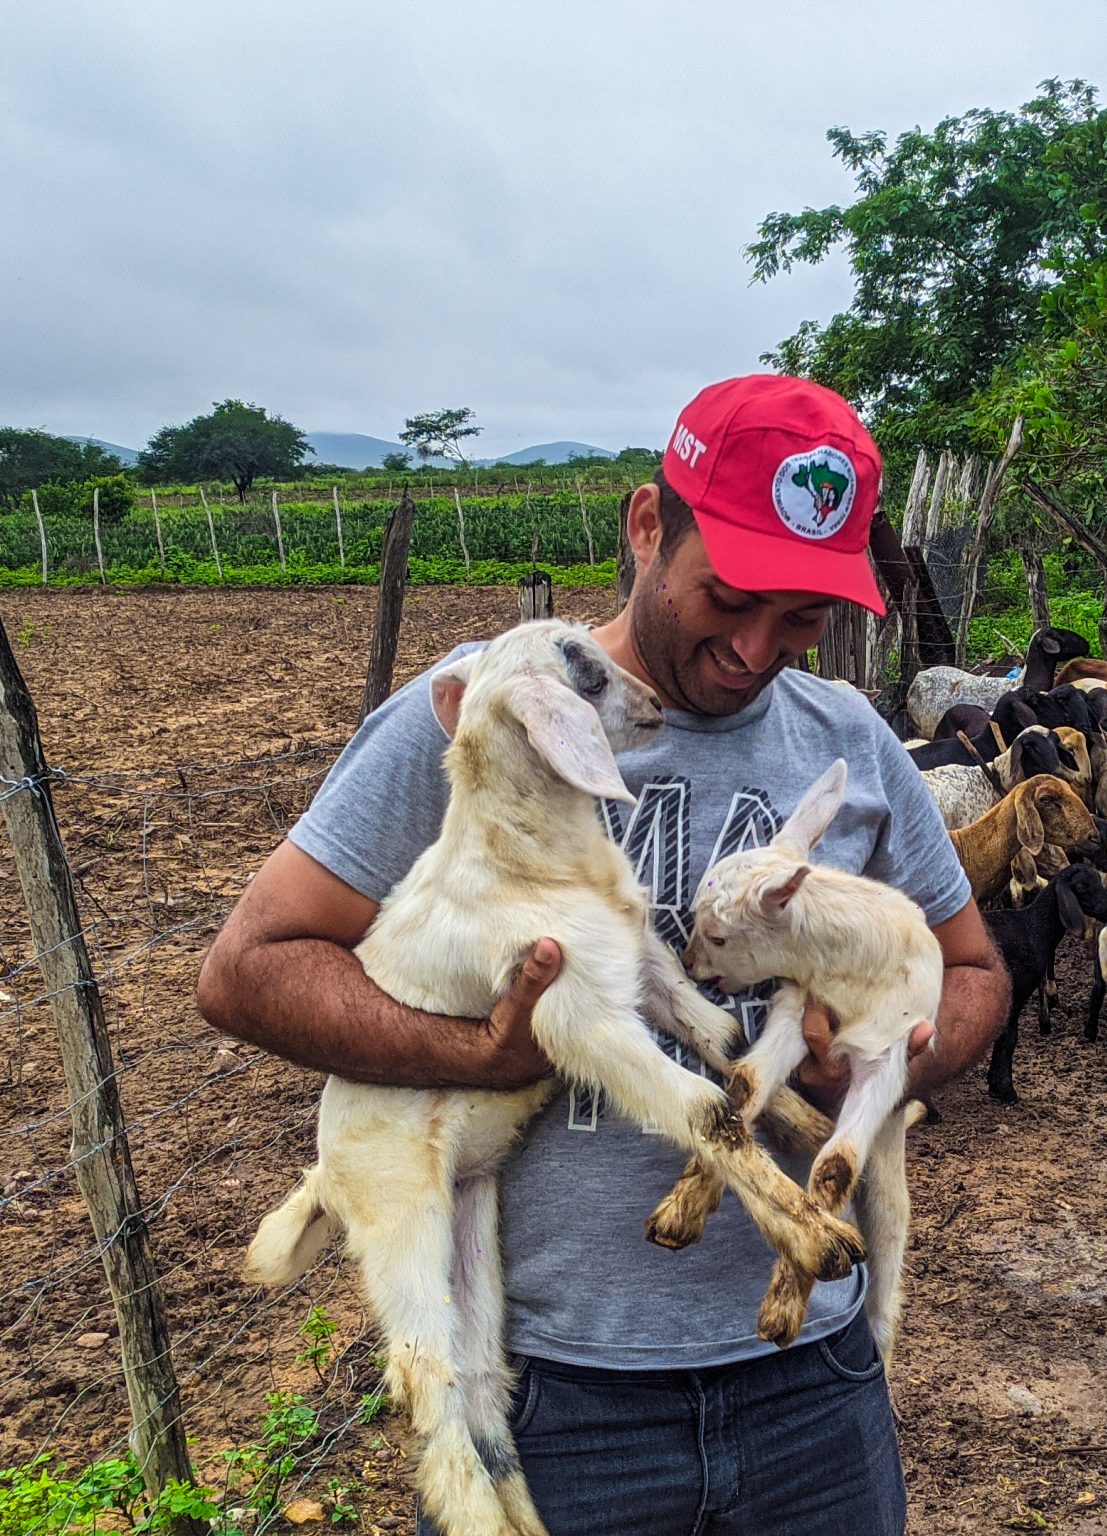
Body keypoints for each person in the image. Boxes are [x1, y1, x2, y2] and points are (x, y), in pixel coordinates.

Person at [197, 374, 1009, 1535]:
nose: (752, 648)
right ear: (644, 528)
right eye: (728, 598)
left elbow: (974, 971)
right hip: (557, 1403)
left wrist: (884, 1067)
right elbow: (248, 966)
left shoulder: (851, 743)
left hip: (810, 1386)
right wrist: (482, 1056)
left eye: (799, 620)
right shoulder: (484, 709)